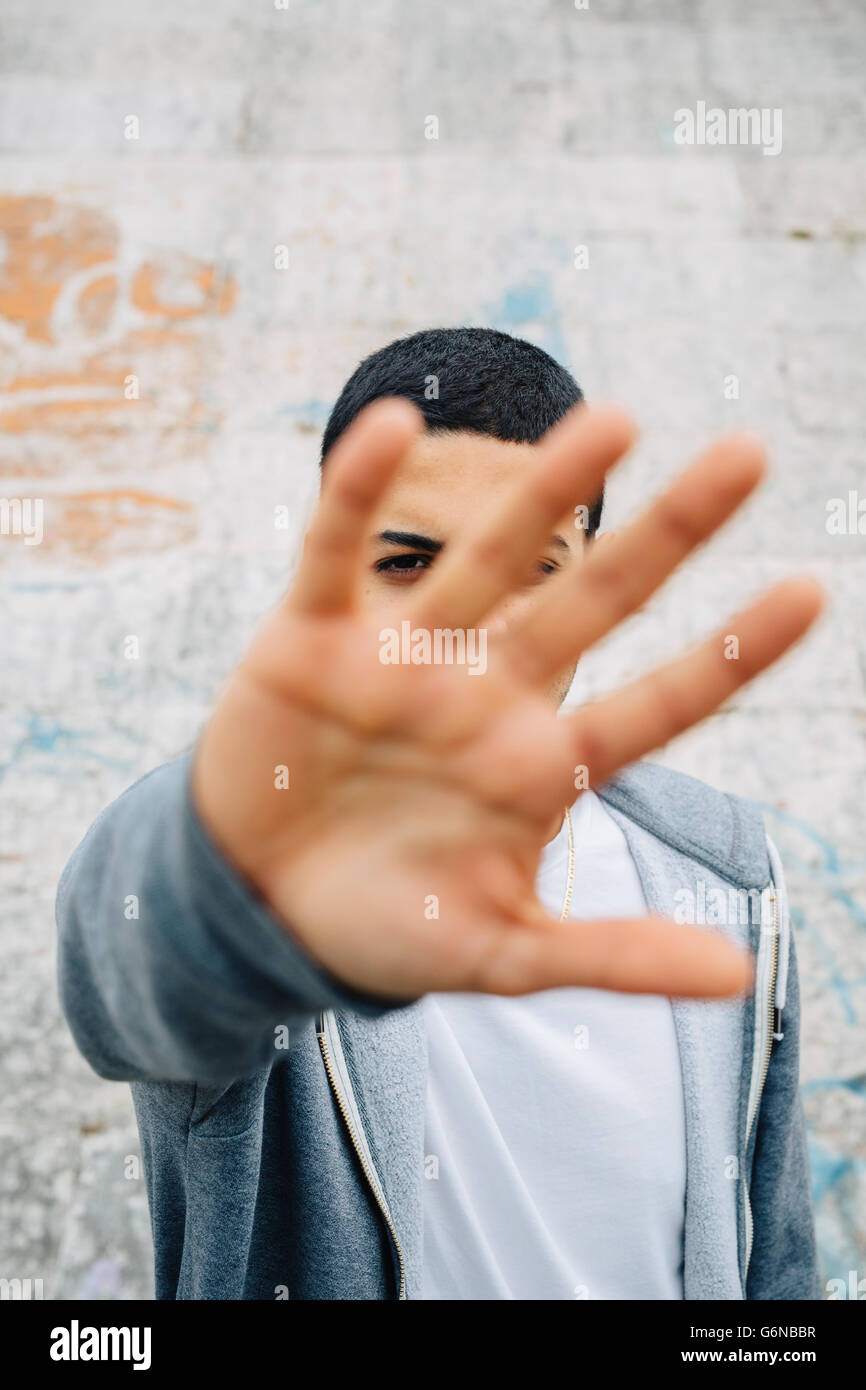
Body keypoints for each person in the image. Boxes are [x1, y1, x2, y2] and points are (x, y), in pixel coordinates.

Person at [56, 327, 822, 1300]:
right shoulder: (253, 851)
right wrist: (240, 880)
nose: (472, 624)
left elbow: (776, 1275)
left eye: (534, 569)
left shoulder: (723, 867)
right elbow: (124, 969)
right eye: (408, 561)